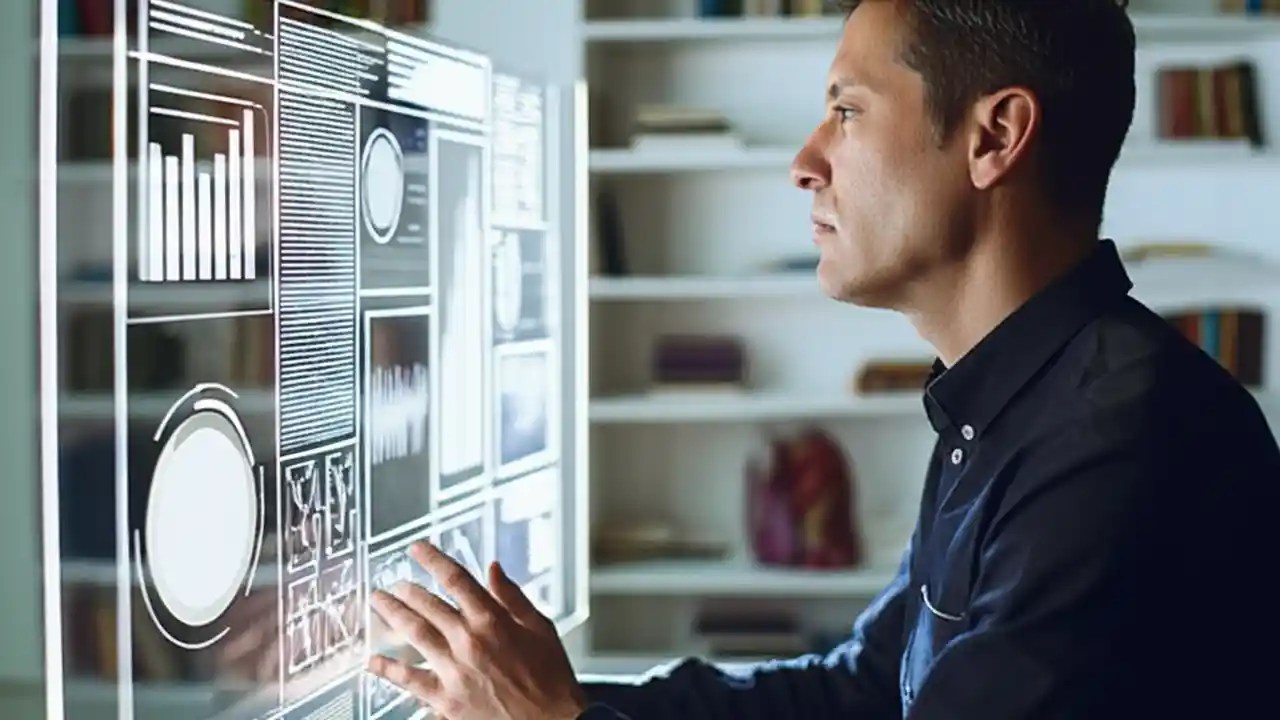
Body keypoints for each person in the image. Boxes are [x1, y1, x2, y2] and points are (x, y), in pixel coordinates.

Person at [365, 0, 1280, 717]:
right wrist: (561, 699)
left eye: (846, 111)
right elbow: (863, 690)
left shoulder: (1120, 444)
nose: (805, 161)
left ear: (994, 137)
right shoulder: (1018, 405)